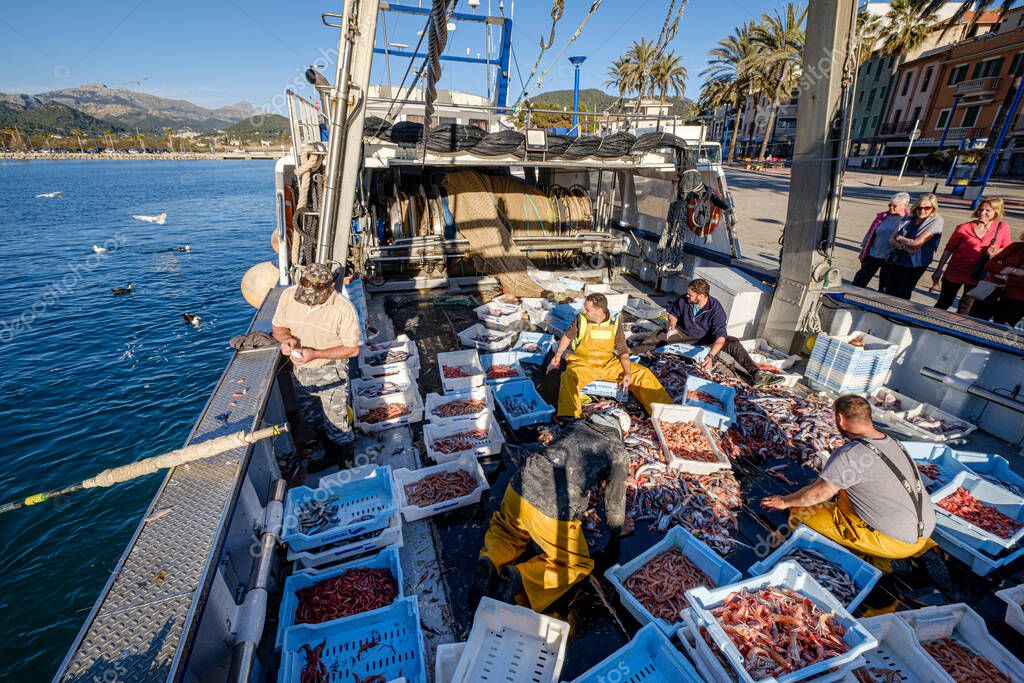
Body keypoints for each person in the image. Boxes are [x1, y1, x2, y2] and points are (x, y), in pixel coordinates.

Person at [475, 408, 634, 611]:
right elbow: (615, 501)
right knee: (575, 565)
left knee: (507, 532)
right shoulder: (618, 452)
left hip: (519, 486)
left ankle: (489, 562)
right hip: (552, 508)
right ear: (624, 433)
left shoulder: (577, 425)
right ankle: (521, 579)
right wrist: (618, 528)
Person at [761, 395, 936, 571]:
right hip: (925, 532)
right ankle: (920, 553)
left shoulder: (850, 453)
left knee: (801, 513)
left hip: (893, 543)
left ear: (840, 419)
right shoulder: (894, 442)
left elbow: (818, 494)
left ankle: (883, 563)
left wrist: (784, 502)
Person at [271, 263, 363, 452]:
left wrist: (315, 354)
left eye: (315, 298)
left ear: (330, 288)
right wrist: (286, 340)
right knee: (311, 416)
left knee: (337, 423)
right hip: (300, 371)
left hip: (331, 370)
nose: (310, 302)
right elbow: (278, 328)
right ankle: (325, 448)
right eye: (305, 297)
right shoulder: (288, 296)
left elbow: (353, 349)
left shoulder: (344, 309)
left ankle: (343, 458)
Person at [548, 293, 672, 417]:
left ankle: (665, 413)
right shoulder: (581, 319)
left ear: (600, 311)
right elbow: (567, 337)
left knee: (642, 374)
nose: (584, 311)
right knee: (568, 377)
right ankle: (570, 416)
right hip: (583, 363)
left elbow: (623, 350)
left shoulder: (615, 322)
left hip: (607, 363)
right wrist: (557, 356)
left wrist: (628, 372)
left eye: (587, 309)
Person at [666, 279, 783, 387]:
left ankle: (757, 374)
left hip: (707, 339)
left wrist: (710, 356)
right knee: (657, 339)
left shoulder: (716, 308)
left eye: (690, 294)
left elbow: (721, 337)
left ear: (701, 296)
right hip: (685, 335)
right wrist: (672, 324)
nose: (687, 295)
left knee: (733, 343)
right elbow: (673, 314)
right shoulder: (683, 300)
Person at [930, 197, 1011, 311]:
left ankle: (955, 328)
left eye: (987, 211)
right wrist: (939, 270)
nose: (982, 213)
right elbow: (948, 250)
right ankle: (931, 326)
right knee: (944, 303)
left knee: (966, 308)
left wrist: (997, 250)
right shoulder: (964, 227)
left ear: (996, 212)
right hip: (955, 271)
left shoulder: (1002, 228)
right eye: (980, 209)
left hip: (979, 275)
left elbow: (1008, 249)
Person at [881, 194, 943, 300]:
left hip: (916, 263)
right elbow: (891, 239)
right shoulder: (909, 217)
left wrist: (900, 238)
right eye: (919, 207)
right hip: (899, 259)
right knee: (889, 290)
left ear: (933, 208)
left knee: (903, 292)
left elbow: (916, 243)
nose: (922, 210)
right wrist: (905, 247)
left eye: (927, 208)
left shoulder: (936, 220)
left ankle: (896, 315)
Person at [852, 192, 909, 290]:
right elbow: (870, 233)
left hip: (891, 259)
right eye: (889, 205)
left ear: (905, 205)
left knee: (885, 286)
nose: (891, 207)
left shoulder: (908, 220)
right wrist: (863, 251)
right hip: (873, 254)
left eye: (894, 206)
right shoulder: (882, 216)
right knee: (859, 280)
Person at [975, 232, 1024, 325]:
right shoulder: (1016, 246)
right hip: (991, 290)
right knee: (974, 321)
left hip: (1017, 300)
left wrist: (1005, 277)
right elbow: (990, 265)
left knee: (1000, 330)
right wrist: (1012, 270)